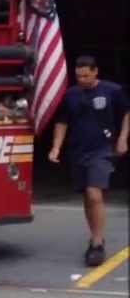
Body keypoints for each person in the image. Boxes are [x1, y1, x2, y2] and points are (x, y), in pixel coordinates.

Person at [47, 55, 129, 266]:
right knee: (87, 196)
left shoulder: (112, 90)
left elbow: (126, 113)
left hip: (102, 150)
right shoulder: (71, 95)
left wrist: (122, 138)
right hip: (78, 150)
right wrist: (56, 147)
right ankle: (94, 238)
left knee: (94, 192)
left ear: (95, 71)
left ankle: (98, 242)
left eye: (85, 75)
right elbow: (62, 122)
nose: (82, 79)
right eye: (78, 76)